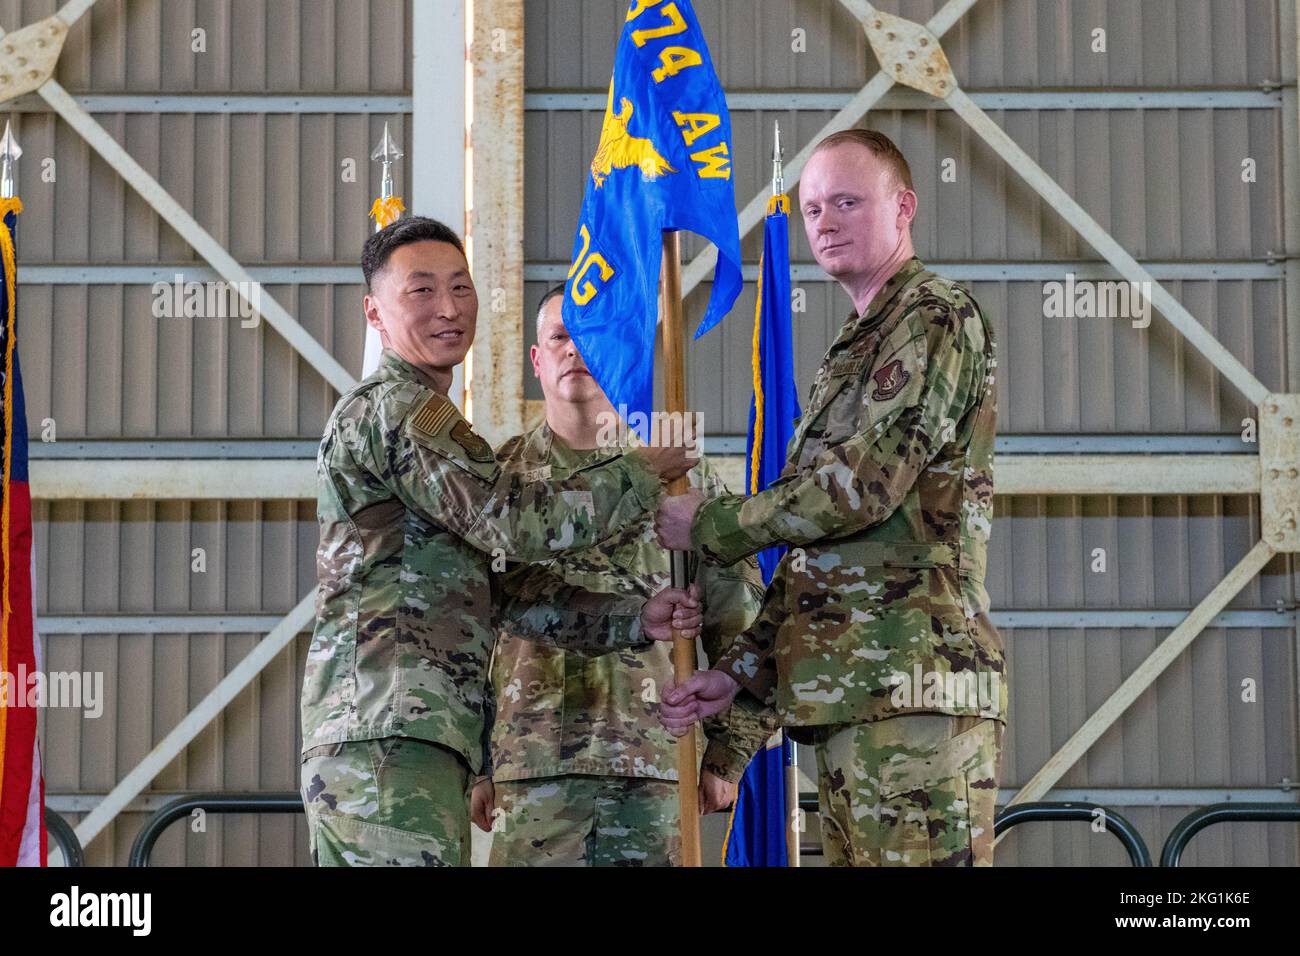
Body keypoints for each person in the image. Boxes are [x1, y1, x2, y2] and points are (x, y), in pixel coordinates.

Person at [300, 217, 700, 867]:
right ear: (375, 313)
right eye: (422, 291)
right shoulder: (398, 410)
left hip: (415, 733)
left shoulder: (438, 423)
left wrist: (632, 619)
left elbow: (509, 590)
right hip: (385, 729)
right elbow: (514, 524)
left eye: (461, 288)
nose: (449, 308)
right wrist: (638, 471)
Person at [655, 129, 1007, 866]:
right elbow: (821, 555)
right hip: (856, 693)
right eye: (813, 208)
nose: (825, 220)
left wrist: (713, 523)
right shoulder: (855, 346)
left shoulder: (933, 316)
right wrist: (740, 673)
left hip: (912, 692)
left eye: (847, 200)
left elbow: (861, 489)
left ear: (903, 206)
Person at [469, 287, 774, 866]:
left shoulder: (681, 475)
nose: (573, 351)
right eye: (558, 336)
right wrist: (474, 764)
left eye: (590, 337)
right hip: (533, 771)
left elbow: (740, 620)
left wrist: (727, 755)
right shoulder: (502, 482)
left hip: (656, 765)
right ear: (536, 359)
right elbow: (469, 628)